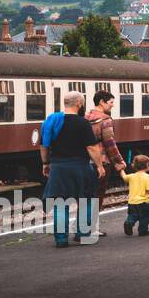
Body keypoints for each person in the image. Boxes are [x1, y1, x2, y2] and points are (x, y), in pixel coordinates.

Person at [41, 92, 105, 247]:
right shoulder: (82, 123)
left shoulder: (52, 121)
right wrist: (99, 165)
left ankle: (61, 239)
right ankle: (83, 234)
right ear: (79, 103)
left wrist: (45, 163)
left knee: (60, 202)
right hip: (79, 166)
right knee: (86, 199)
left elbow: (44, 145)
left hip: (58, 167)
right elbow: (91, 147)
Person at [86, 90, 126, 236]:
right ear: (102, 102)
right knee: (98, 195)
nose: (112, 105)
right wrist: (119, 162)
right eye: (111, 102)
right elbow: (110, 144)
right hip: (102, 162)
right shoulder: (105, 120)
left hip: (85, 161)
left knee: (86, 195)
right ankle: (92, 228)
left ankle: (84, 227)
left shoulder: (85, 117)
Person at [121, 154, 149, 236]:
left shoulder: (131, 176)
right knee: (145, 217)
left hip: (132, 202)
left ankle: (129, 222)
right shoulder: (148, 177)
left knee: (132, 215)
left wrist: (121, 170)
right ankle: (143, 231)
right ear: (147, 166)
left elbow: (124, 177)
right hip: (145, 202)